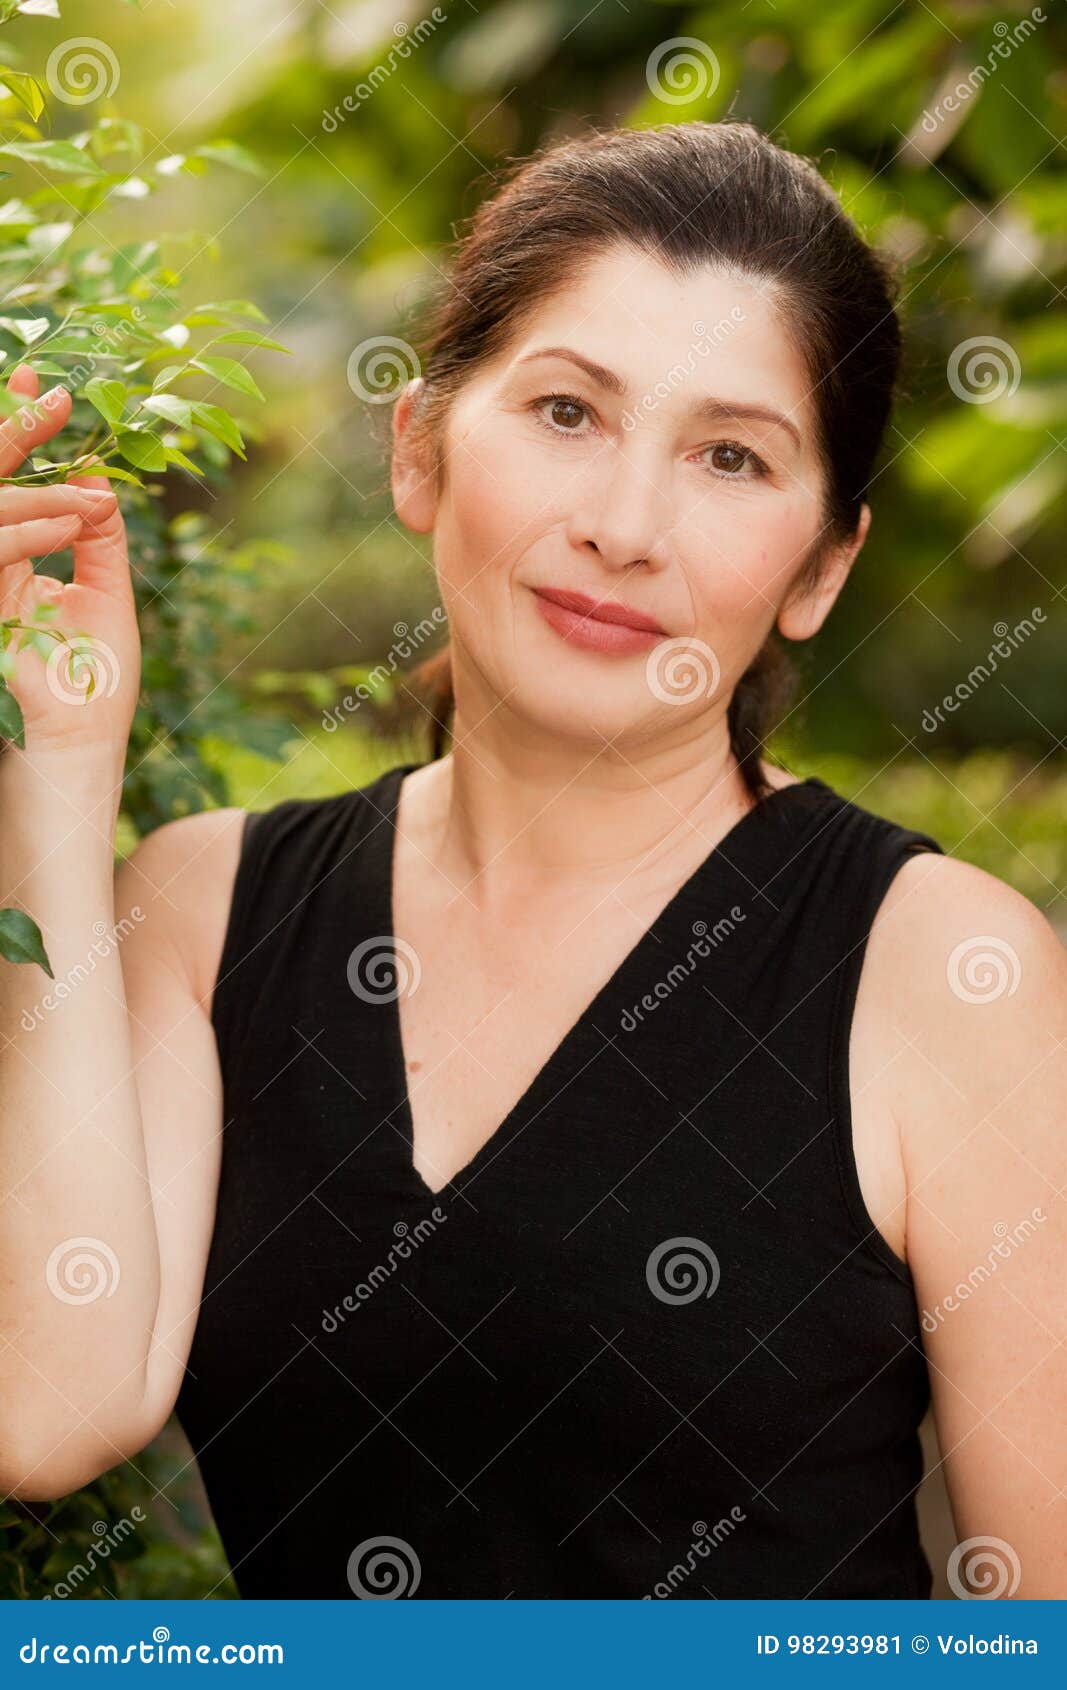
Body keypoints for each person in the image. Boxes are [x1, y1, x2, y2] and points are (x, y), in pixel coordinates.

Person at [1, 120, 1064, 1602]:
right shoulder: (202, 907)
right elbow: (45, 1410)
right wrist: (55, 766)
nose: (625, 527)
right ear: (419, 447)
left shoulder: (939, 965)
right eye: (568, 413)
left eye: (732, 457)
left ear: (822, 567)